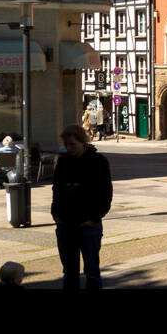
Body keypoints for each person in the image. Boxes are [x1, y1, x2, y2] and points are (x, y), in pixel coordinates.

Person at [51, 124, 112, 289]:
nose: (69, 148)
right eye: (66, 145)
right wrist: (56, 214)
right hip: (66, 224)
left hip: (88, 224)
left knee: (92, 270)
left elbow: (105, 193)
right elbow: (57, 189)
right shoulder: (63, 162)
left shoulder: (98, 162)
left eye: (72, 144)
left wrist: (95, 218)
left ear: (82, 142)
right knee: (69, 272)